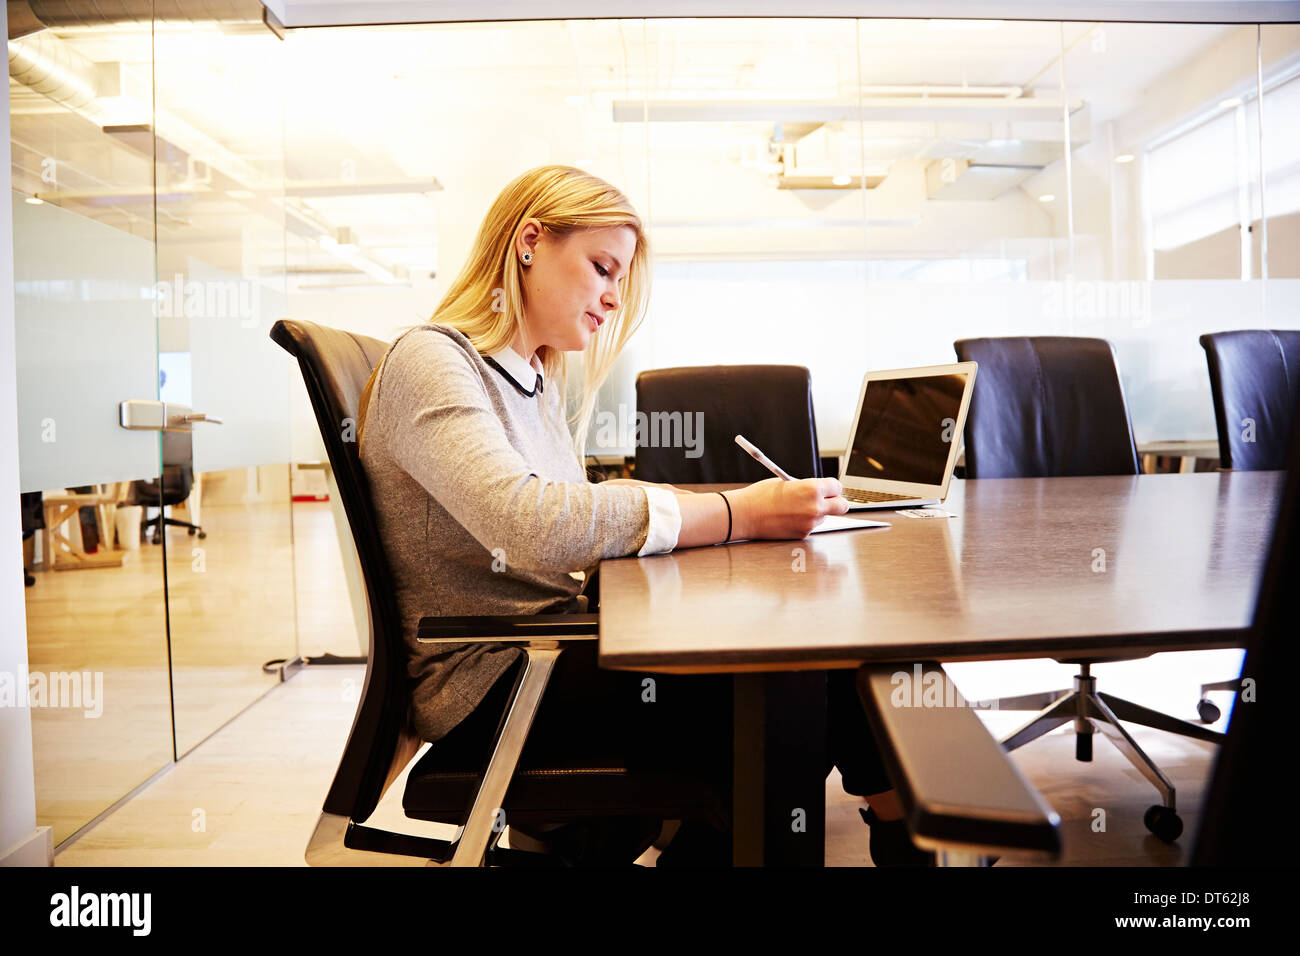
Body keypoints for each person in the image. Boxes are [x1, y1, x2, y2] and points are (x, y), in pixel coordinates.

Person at [356, 164, 930, 866]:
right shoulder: (433, 359)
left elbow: (568, 514)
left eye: (620, 279)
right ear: (529, 242)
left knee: (834, 650)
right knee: (800, 685)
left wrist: (708, 515)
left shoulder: (533, 379)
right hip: (502, 683)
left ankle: (901, 831)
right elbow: (527, 523)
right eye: (602, 268)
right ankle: (909, 836)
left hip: (549, 652)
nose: (612, 297)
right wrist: (736, 514)